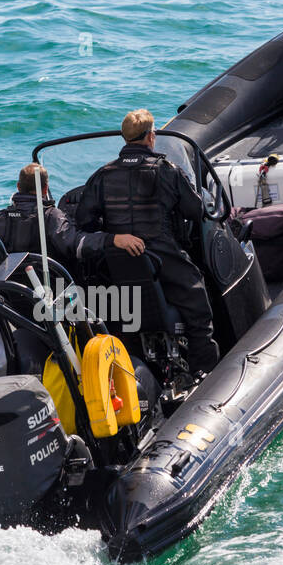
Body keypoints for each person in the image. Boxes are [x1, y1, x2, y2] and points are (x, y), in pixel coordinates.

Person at [75, 109, 220, 373]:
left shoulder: (101, 176)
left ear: (125, 138)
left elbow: (84, 221)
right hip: (165, 257)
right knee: (199, 309)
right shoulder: (168, 171)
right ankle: (204, 372)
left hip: (118, 265)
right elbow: (195, 211)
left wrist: (112, 236)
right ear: (151, 137)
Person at [0, 163, 144, 274]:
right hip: (51, 290)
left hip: (13, 291)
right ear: (45, 189)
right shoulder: (51, 215)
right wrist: (112, 239)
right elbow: (75, 244)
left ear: (18, 186)